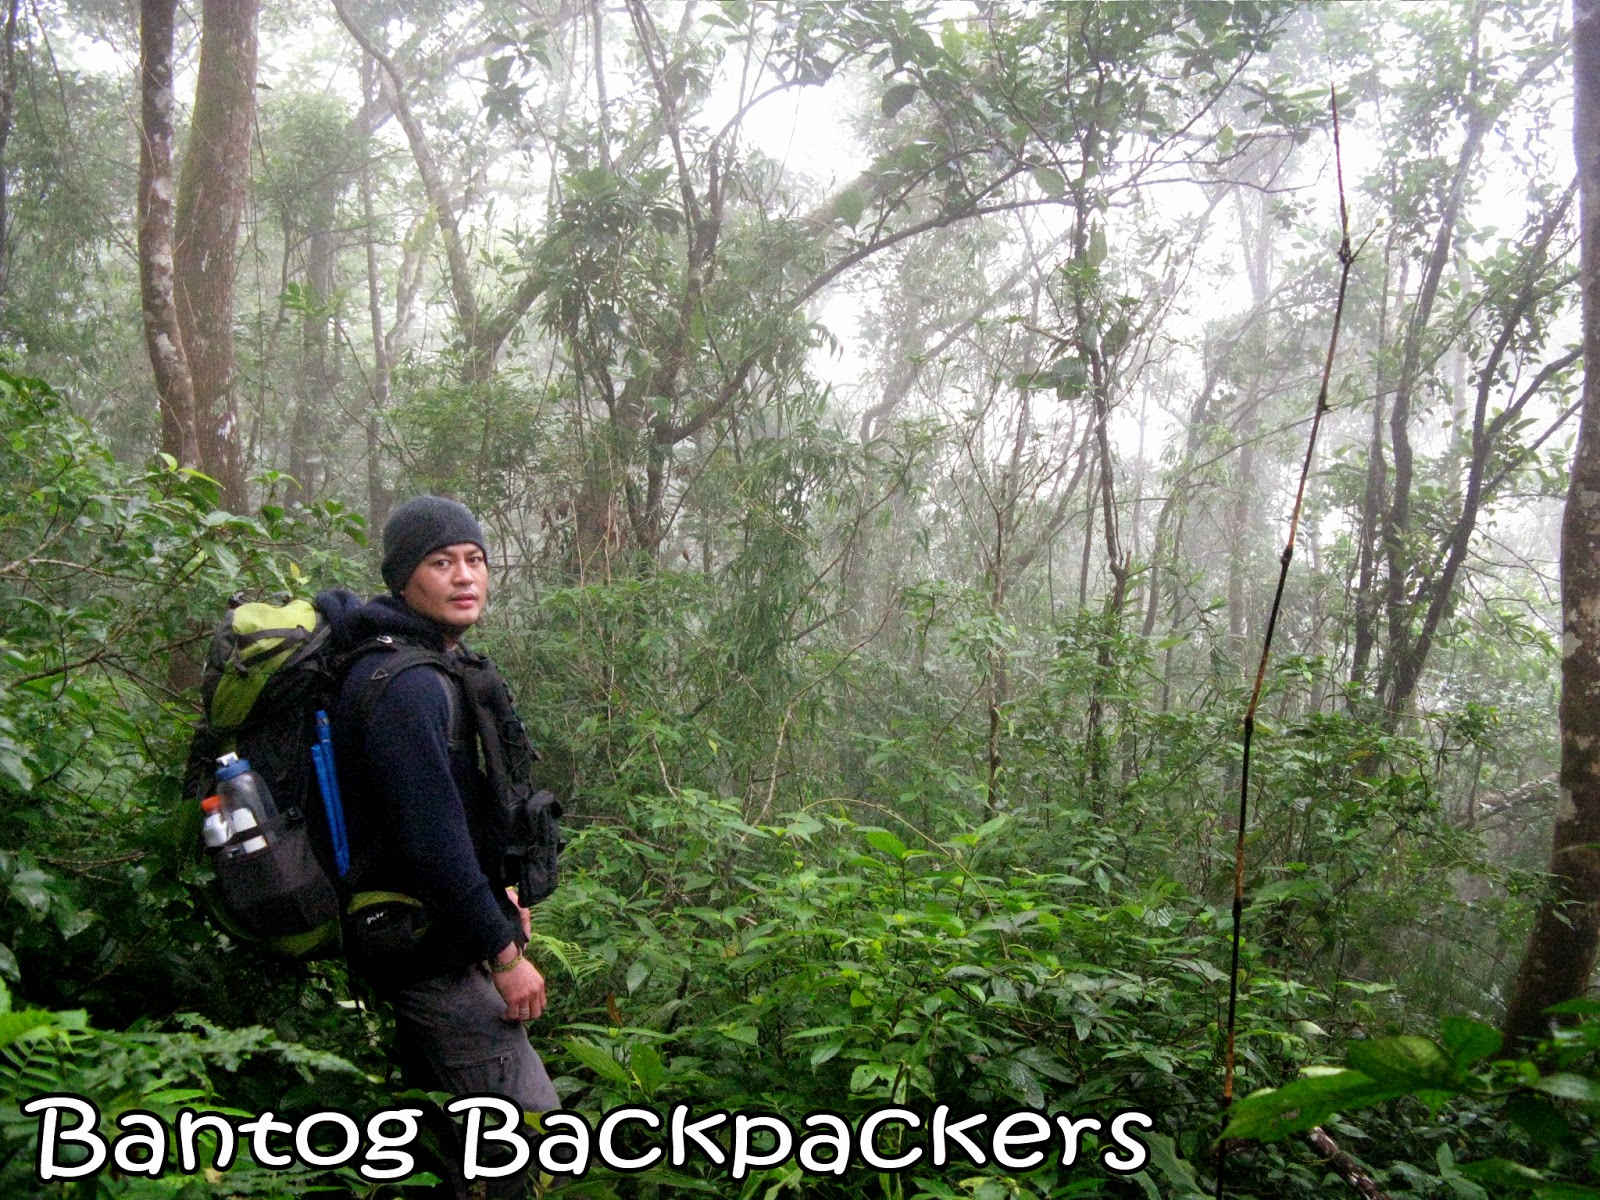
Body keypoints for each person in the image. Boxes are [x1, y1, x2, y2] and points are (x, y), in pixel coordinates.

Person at [330, 495, 557, 1194]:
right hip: (429, 947)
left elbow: (454, 813)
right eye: (440, 562)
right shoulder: (408, 687)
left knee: (457, 1147)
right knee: (520, 1137)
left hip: (424, 930)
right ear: (404, 580)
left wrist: (502, 895)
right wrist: (502, 952)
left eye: (475, 560)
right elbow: (429, 838)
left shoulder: (420, 666)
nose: (465, 577)